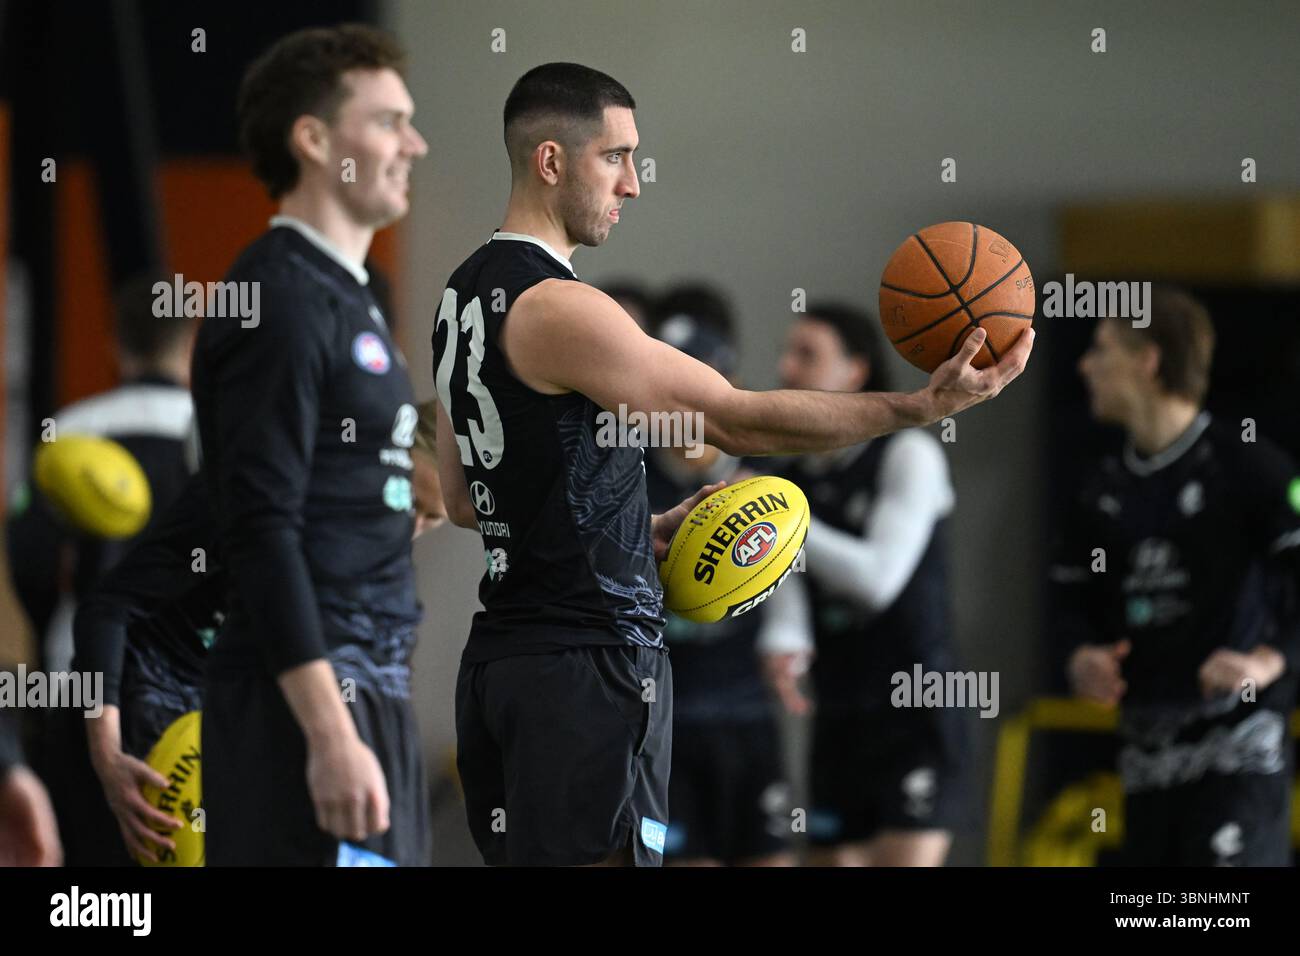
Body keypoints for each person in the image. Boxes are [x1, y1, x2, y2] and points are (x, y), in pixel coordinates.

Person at [433, 61, 1032, 867]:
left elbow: (468, 500)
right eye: (616, 156)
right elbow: (732, 416)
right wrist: (919, 408)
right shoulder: (561, 306)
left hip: (501, 665)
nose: (634, 184)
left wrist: (626, 530)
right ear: (551, 161)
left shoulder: (460, 297)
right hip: (587, 667)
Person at [190, 24, 432, 865]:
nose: (416, 144)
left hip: (373, 685)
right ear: (316, 140)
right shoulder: (278, 296)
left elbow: (353, 483)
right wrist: (328, 733)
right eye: (390, 121)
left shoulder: (357, 290)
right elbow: (260, 524)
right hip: (309, 699)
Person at [1055, 288, 1300, 865]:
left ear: (1149, 360)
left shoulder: (1249, 466)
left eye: (1102, 349)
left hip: (1237, 751)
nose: (1084, 365)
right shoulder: (1099, 490)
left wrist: (1266, 661)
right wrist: (1078, 657)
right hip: (1147, 759)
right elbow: (1070, 601)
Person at [759, 303, 967, 867]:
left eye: (807, 354)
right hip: (840, 707)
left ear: (856, 371)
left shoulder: (908, 453)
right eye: (787, 352)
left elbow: (876, 580)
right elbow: (788, 581)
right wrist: (785, 642)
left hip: (914, 708)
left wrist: (775, 519)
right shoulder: (791, 475)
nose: (786, 367)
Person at [643, 288, 794, 867]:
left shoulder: (764, 481)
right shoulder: (629, 472)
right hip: (666, 720)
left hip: (746, 710)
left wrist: (789, 638)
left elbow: (791, 575)